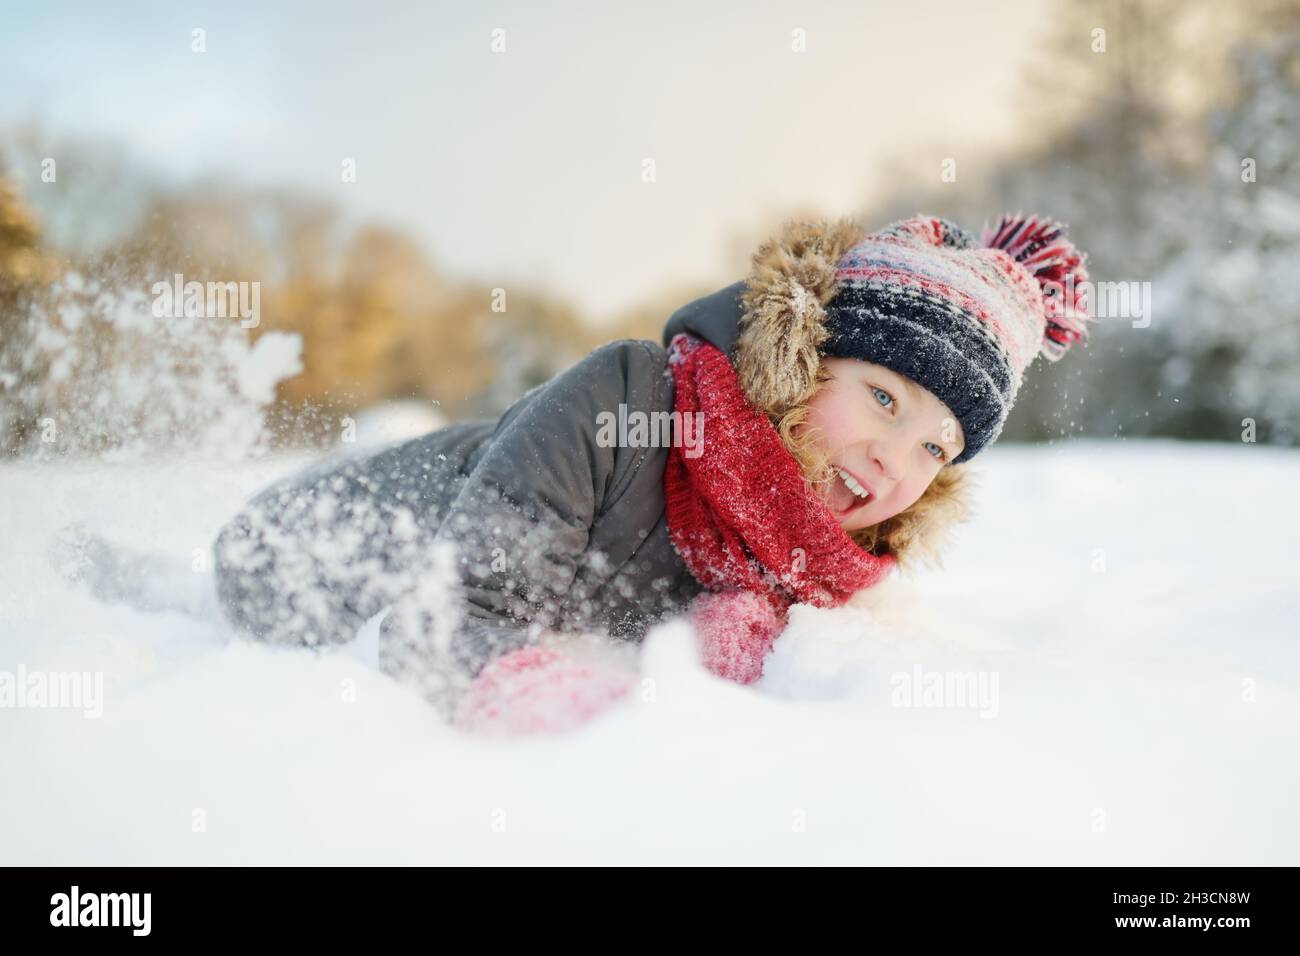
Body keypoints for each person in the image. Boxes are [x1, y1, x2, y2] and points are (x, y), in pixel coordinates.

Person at [212, 212, 1092, 735]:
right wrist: (601, 725)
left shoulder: (817, 559)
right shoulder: (628, 398)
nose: (894, 460)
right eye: (885, 400)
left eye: (936, 448)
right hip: (299, 541)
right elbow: (448, 620)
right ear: (804, 356)